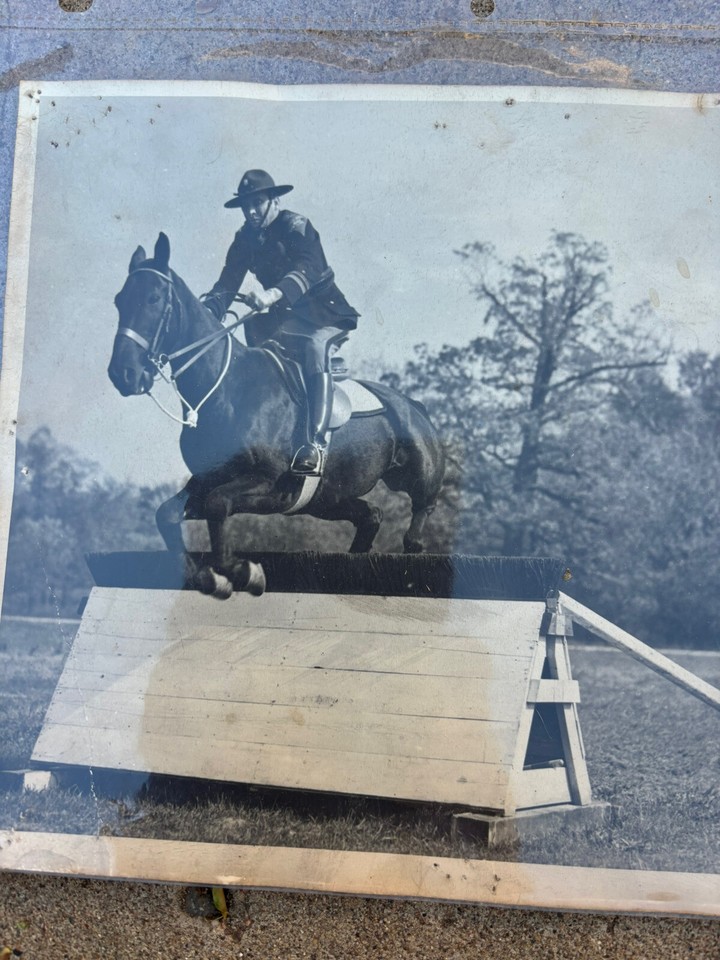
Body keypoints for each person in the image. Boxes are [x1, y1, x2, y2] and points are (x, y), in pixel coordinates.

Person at [202, 169, 360, 476]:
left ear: (274, 201)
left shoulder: (296, 226)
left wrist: (271, 294)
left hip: (323, 315)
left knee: (315, 348)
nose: (250, 211)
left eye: (257, 203)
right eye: (246, 206)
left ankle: (314, 445)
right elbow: (228, 280)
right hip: (282, 320)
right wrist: (209, 310)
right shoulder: (244, 238)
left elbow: (307, 268)